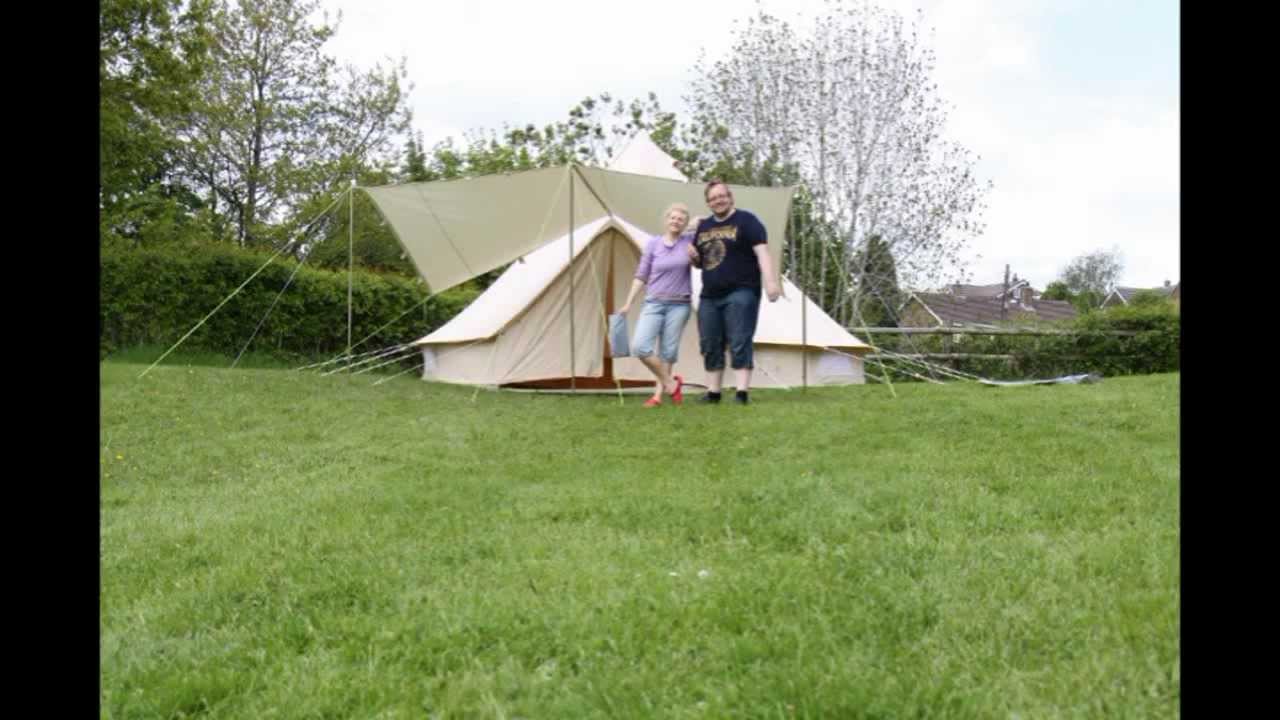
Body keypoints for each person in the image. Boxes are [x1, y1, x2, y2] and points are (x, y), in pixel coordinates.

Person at [686, 179, 781, 405]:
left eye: (721, 196)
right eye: (713, 198)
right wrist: (694, 259)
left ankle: (741, 393)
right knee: (710, 343)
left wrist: (771, 282)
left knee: (739, 339)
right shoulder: (703, 227)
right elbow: (703, 263)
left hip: (742, 290)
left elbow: (762, 253)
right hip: (709, 294)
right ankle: (713, 393)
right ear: (708, 203)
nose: (718, 201)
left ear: (730, 197)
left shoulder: (747, 221)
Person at [618, 203, 698, 407]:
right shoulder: (653, 244)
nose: (676, 221)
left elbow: (704, 223)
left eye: (681, 219)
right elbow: (641, 275)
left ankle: (658, 396)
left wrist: (695, 225)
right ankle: (672, 384)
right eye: (673, 218)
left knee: (668, 352)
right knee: (640, 347)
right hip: (654, 302)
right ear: (666, 220)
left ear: (685, 224)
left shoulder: (689, 241)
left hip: (680, 305)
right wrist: (628, 303)